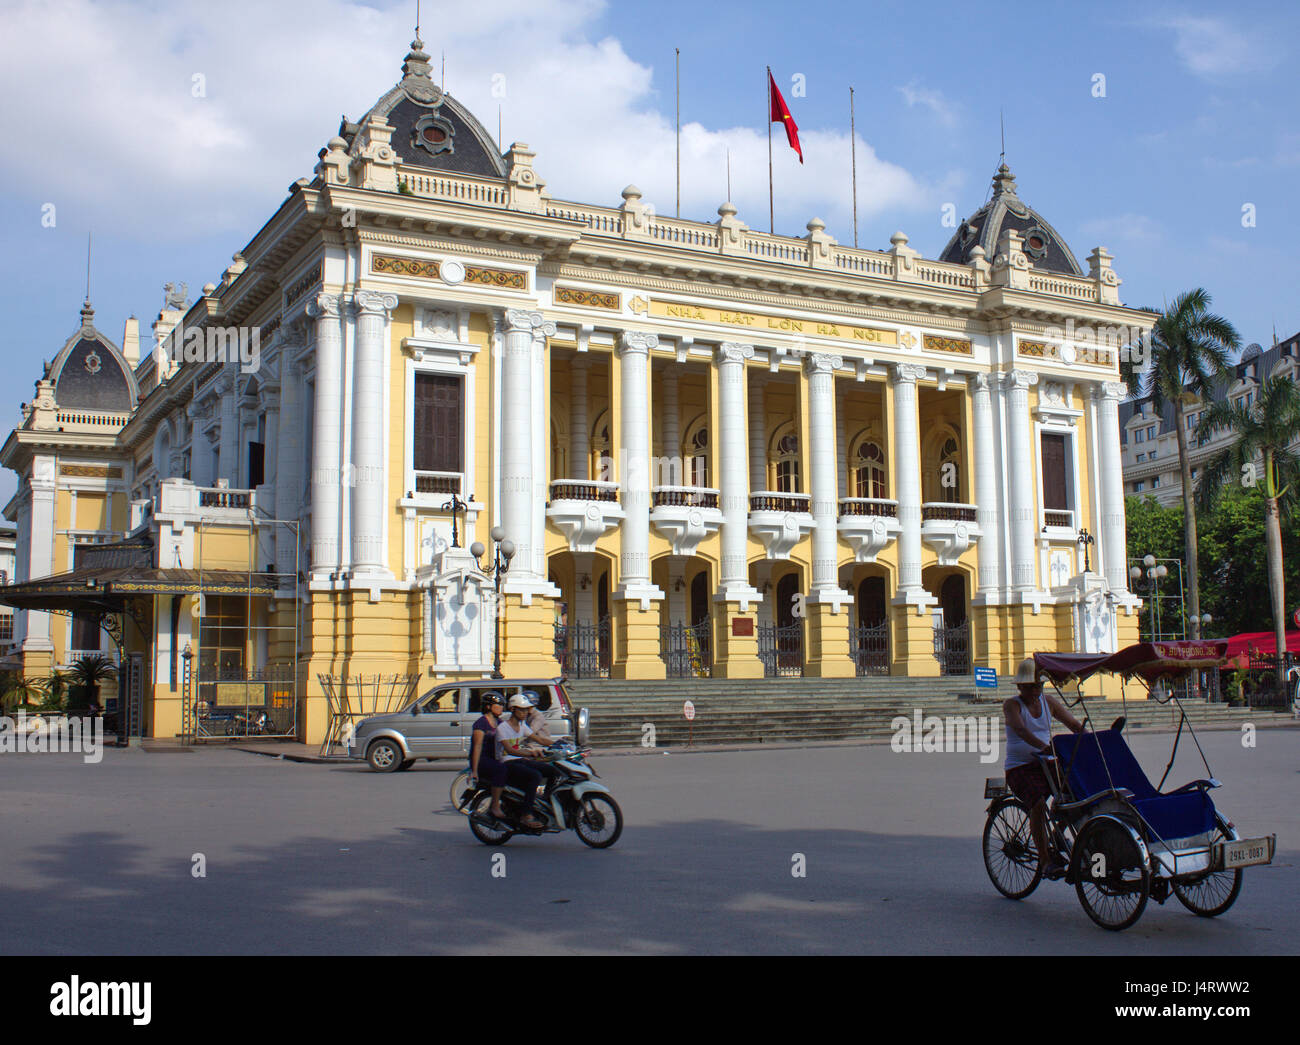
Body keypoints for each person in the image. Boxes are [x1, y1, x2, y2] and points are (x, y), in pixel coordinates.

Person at [1003, 657, 1083, 878]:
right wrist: (1045, 747)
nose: (1034, 690)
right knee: (1038, 804)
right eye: (1029, 686)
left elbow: (1074, 724)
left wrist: (1092, 741)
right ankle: (1045, 859)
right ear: (1020, 686)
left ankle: (1058, 832)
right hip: (1021, 767)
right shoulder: (1012, 705)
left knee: (1077, 794)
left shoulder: (1049, 702)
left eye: (1038, 685)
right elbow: (1020, 730)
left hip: (1047, 764)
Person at [470, 692, 544, 829]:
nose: (501, 707)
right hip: (483, 759)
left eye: (502, 705)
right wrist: (474, 770)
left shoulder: (500, 722)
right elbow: (477, 746)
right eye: (498, 705)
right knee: (502, 769)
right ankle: (495, 805)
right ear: (488, 706)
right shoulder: (481, 724)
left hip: (496, 758)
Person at [497, 694, 561, 800]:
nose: (525, 713)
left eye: (527, 710)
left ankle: (545, 800)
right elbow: (509, 750)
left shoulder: (522, 725)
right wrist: (531, 753)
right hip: (506, 762)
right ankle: (526, 812)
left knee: (554, 772)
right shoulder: (503, 728)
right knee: (535, 776)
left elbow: (539, 739)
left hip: (520, 760)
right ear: (513, 709)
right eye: (522, 710)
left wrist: (558, 744)